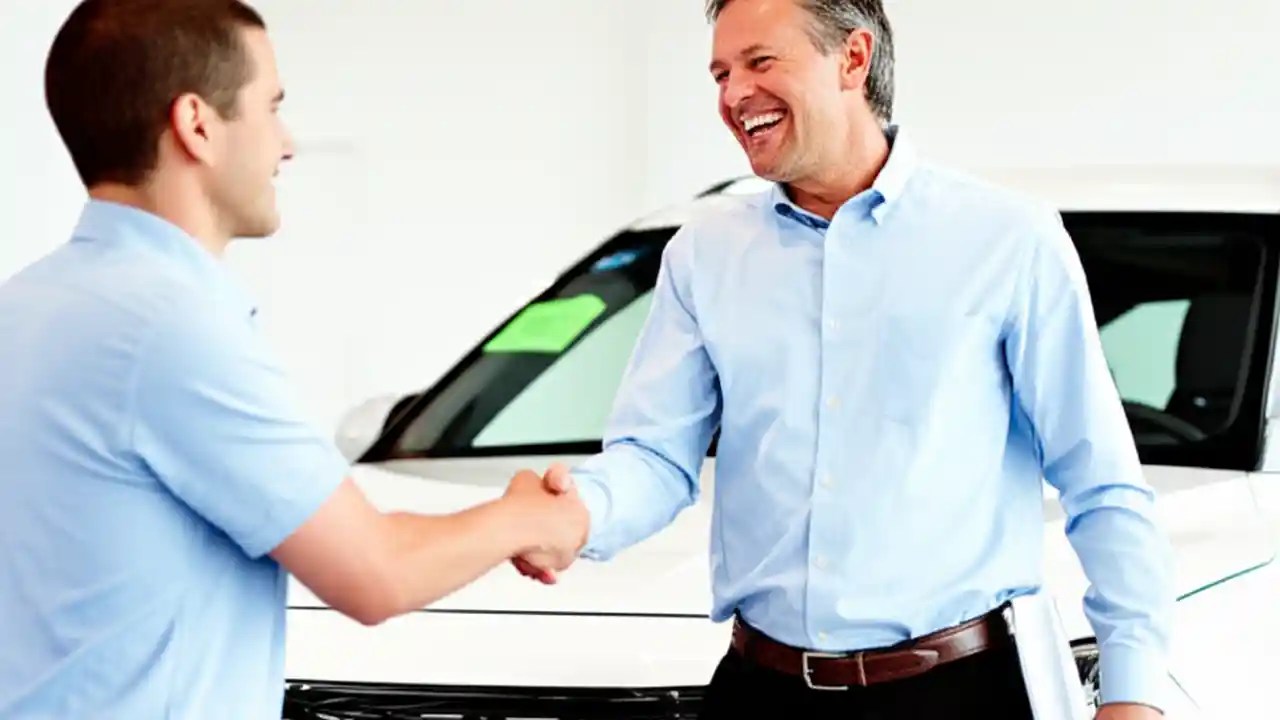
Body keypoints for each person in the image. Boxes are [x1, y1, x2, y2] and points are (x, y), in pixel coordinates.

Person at [511, 0, 1175, 718]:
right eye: (721, 73)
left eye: (760, 63)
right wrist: (579, 516)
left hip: (958, 694)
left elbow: (1101, 480)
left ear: (853, 59)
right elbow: (655, 457)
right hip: (759, 691)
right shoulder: (704, 252)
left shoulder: (1007, 240)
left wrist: (1132, 695)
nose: (734, 95)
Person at [0, 1, 587, 717]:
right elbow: (377, 572)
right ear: (197, 124)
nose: (287, 143)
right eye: (272, 107)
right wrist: (523, 517)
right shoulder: (168, 328)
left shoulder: (25, 307)